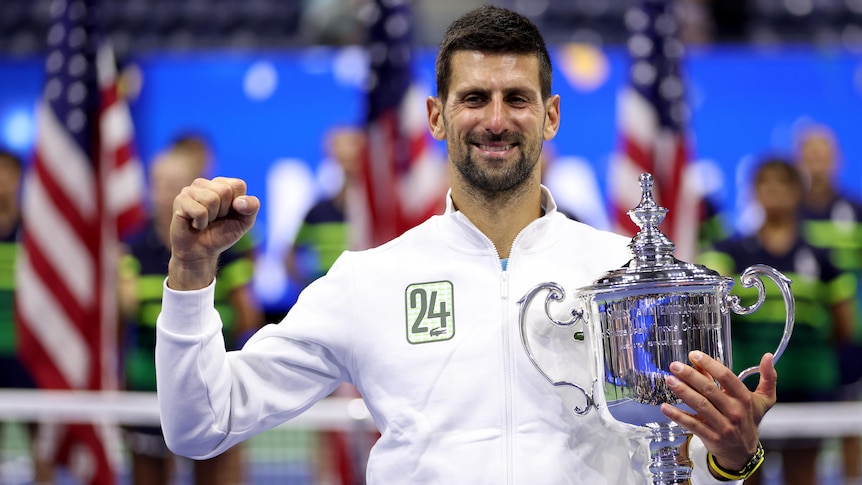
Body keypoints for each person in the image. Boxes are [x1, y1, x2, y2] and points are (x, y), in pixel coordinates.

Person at [156, 6, 777, 483]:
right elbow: (199, 424)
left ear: (552, 115)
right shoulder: (370, 280)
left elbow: (690, 460)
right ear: (435, 116)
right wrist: (191, 271)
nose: (496, 119)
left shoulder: (627, 275)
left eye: (518, 99)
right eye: (474, 98)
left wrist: (734, 458)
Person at [698, 158, 857, 485]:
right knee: (744, 474)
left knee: (803, 476)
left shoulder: (821, 256)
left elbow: (844, 326)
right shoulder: (730, 251)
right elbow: (710, 312)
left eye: (783, 184)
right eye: (766, 183)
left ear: (798, 193)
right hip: (745, 388)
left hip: (809, 388)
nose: (774, 192)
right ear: (754, 191)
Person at [119, 147, 261, 485]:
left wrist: (214, 354)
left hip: (212, 384)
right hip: (145, 386)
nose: (165, 191)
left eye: (174, 183)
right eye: (159, 183)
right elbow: (123, 315)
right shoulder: (131, 248)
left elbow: (247, 315)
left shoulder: (227, 243)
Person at [794, 123, 862, 483]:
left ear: (836, 159)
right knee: (805, 433)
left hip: (850, 335)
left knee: (852, 417)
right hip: (806, 338)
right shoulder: (787, 214)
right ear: (800, 159)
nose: (817, 161)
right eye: (810, 153)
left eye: (824, 153)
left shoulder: (855, 210)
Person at [0, 149, 55, 485]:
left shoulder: (40, 233)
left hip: (29, 360)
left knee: (43, 453)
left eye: (7, 173)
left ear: (19, 179)